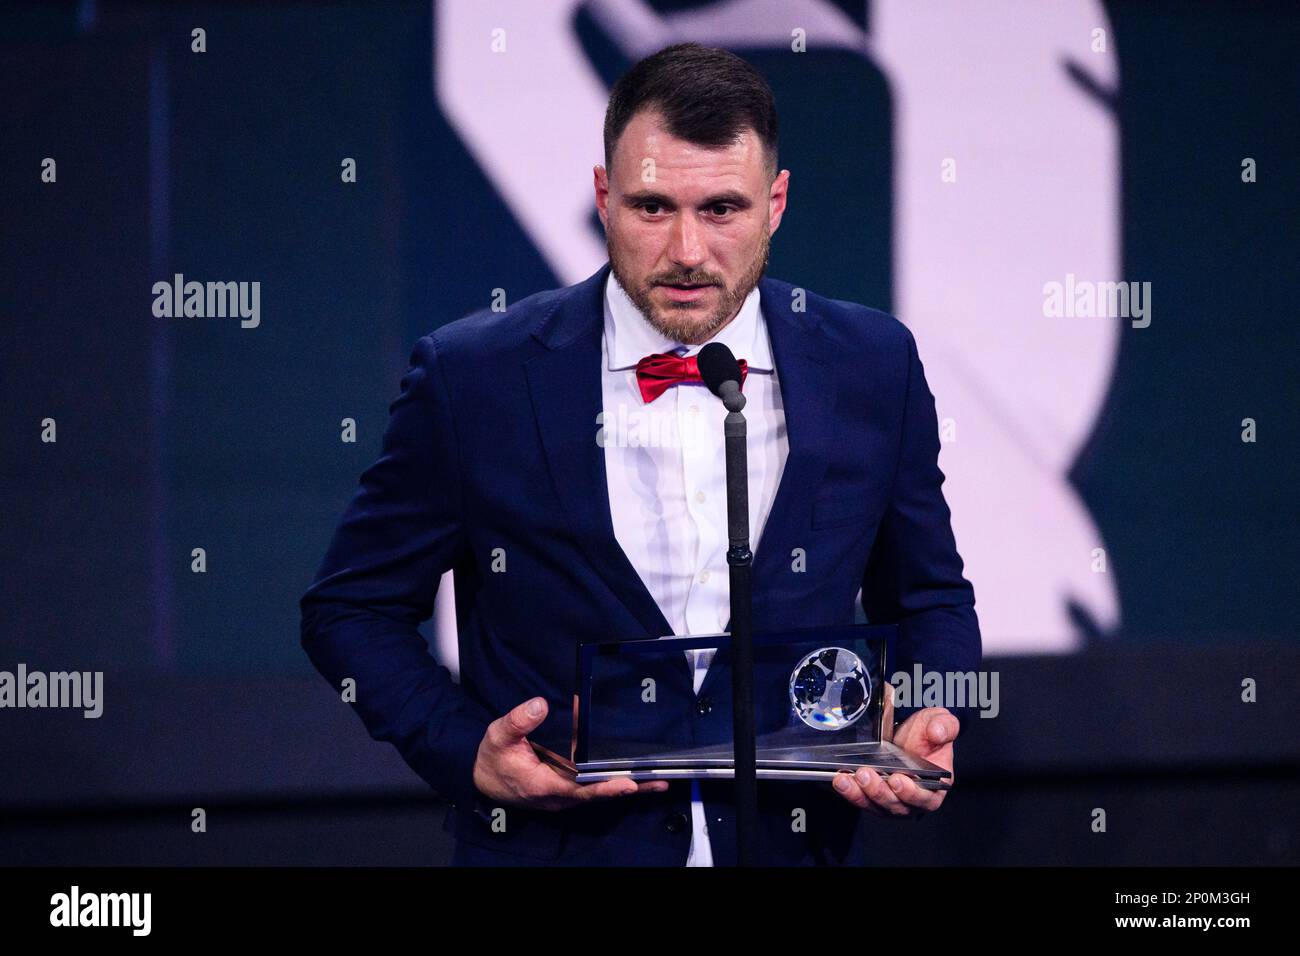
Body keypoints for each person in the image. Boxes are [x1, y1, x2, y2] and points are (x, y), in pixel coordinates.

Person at [300, 43, 980, 866]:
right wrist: (464, 750)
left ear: (776, 203)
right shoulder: (474, 378)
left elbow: (931, 597)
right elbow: (350, 608)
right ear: (602, 197)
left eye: (722, 209)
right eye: (653, 207)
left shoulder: (873, 364)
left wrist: (925, 719)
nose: (688, 251)